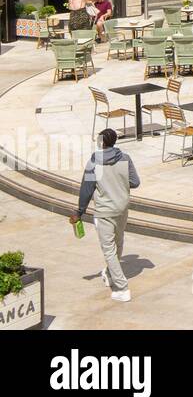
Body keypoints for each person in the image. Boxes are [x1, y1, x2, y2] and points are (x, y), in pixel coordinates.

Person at [71, 128, 140, 303]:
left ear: (102, 142)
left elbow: (87, 190)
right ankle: (109, 274)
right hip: (122, 208)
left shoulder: (95, 163)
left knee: (109, 250)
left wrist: (79, 212)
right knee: (118, 243)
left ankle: (122, 288)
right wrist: (118, 182)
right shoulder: (125, 158)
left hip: (104, 212)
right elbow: (134, 182)